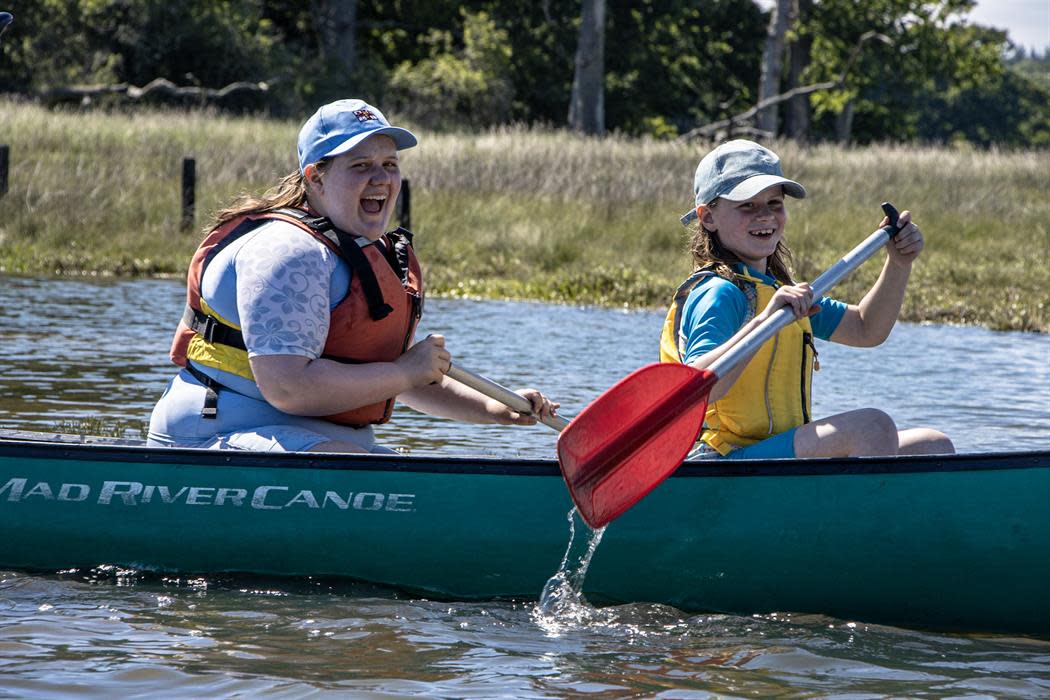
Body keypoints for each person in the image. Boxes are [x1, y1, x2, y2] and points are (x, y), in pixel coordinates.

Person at [148, 98, 557, 453]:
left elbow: (386, 376)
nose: (380, 179)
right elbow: (288, 387)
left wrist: (496, 407)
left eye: (389, 165)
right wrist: (406, 371)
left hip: (315, 443)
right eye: (360, 165)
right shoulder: (289, 253)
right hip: (218, 438)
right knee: (381, 476)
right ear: (316, 176)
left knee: (382, 471)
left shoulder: (357, 250)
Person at [660, 139, 953, 459]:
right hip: (717, 459)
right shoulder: (719, 292)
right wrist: (763, 322)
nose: (765, 216)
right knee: (872, 426)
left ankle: (871, 506)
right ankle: (861, 509)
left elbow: (867, 329)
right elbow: (696, 391)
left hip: (771, 455)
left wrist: (898, 264)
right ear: (708, 217)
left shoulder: (777, 291)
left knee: (932, 445)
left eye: (774, 203)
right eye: (747, 205)